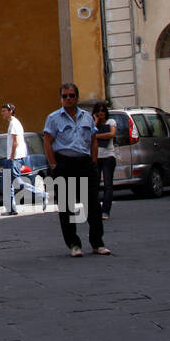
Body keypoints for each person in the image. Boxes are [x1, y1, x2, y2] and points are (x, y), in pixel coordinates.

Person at [42, 83, 109, 257]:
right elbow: (47, 142)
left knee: (93, 205)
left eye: (71, 95)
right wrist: (54, 165)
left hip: (84, 163)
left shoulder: (87, 117)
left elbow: (94, 140)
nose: (68, 99)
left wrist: (93, 162)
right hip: (64, 164)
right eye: (64, 96)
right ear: (61, 98)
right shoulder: (54, 118)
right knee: (67, 207)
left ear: (77, 97)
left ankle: (97, 243)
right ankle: (73, 244)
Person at [1, 102, 45, 214]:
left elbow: (15, 142)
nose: (2, 113)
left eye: (4, 111)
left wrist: (11, 157)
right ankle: (11, 209)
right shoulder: (14, 123)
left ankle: (42, 194)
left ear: (10, 111)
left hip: (15, 158)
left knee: (17, 182)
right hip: (14, 157)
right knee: (9, 183)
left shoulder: (14, 124)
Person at [93, 102, 118, 221]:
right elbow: (89, 135)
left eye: (103, 110)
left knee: (108, 184)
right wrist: (96, 122)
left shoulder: (111, 122)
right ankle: (96, 210)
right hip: (96, 156)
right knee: (95, 184)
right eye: (98, 111)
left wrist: (97, 136)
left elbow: (112, 134)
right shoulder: (94, 125)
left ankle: (106, 210)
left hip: (108, 156)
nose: (101, 113)